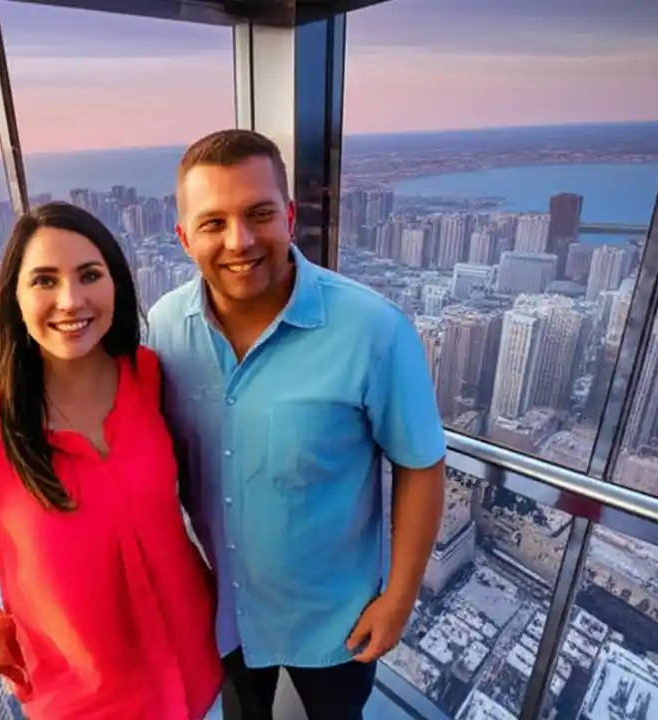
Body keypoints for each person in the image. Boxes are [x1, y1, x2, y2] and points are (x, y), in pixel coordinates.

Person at [146, 129, 447, 720]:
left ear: (289, 216)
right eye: (212, 223)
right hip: (221, 610)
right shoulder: (163, 328)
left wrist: (399, 600)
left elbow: (421, 463)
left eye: (259, 213)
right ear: (184, 238)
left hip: (336, 621)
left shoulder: (372, 329)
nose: (240, 240)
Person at [0, 202, 223, 719]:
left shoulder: (147, 375)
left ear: (116, 286)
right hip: (84, 699)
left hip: (197, 658)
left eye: (90, 275)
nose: (71, 300)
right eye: (44, 281)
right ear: (15, 299)